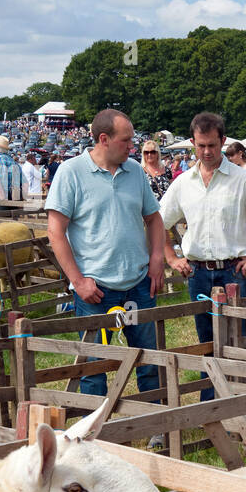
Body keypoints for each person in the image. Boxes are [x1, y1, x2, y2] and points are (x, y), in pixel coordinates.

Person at [45, 108, 167, 444]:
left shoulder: (135, 173)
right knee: (95, 367)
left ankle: (154, 426)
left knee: (148, 360)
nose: (133, 145)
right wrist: (78, 280)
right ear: (104, 139)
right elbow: (56, 231)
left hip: (138, 284)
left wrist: (157, 259)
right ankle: (90, 437)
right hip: (96, 290)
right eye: (126, 140)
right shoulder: (71, 173)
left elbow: (154, 219)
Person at [159, 111, 246, 402]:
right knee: (205, 342)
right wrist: (170, 257)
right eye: (201, 145)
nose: (206, 152)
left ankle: (240, 403)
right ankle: (211, 405)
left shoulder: (242, 180)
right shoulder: (183, 183)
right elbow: (158, 221)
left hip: (235, 272)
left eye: (212, 146)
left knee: (238, 341)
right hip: (197, 273)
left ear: (223, 141)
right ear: (192, 142)